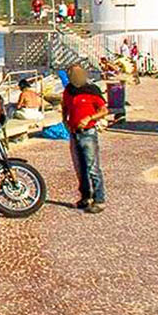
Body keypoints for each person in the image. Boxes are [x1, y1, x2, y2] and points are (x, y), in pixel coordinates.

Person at [61, 64, 109, 213]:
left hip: (88, 133)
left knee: (92, 167)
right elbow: (65, 106)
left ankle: (99, 199)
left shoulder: (91, 90)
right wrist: (65, 120)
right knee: (79, 167)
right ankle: (85, 197)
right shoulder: (69, 91)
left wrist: (89, 118)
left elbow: (104, 110)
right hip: (74, 133)